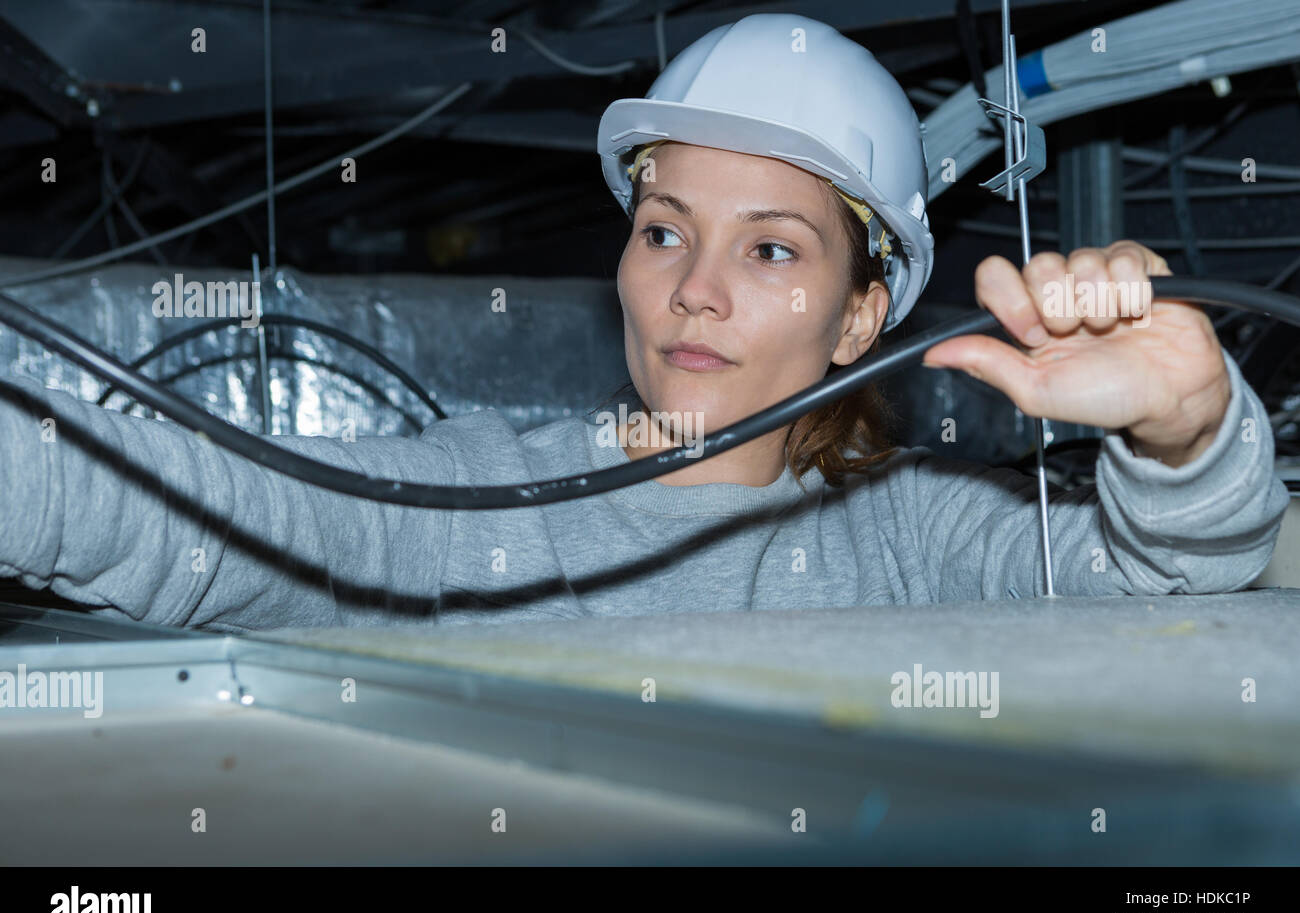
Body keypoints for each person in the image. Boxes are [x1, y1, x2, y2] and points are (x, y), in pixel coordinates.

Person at [0, 14, 1287, 634]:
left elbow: (1167, 590)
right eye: (664, 228)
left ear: (862, 318)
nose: (694, 289)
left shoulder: (924, 534)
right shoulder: (482, 499)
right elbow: (209, 516)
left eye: (770, 247)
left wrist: (1184, 437)